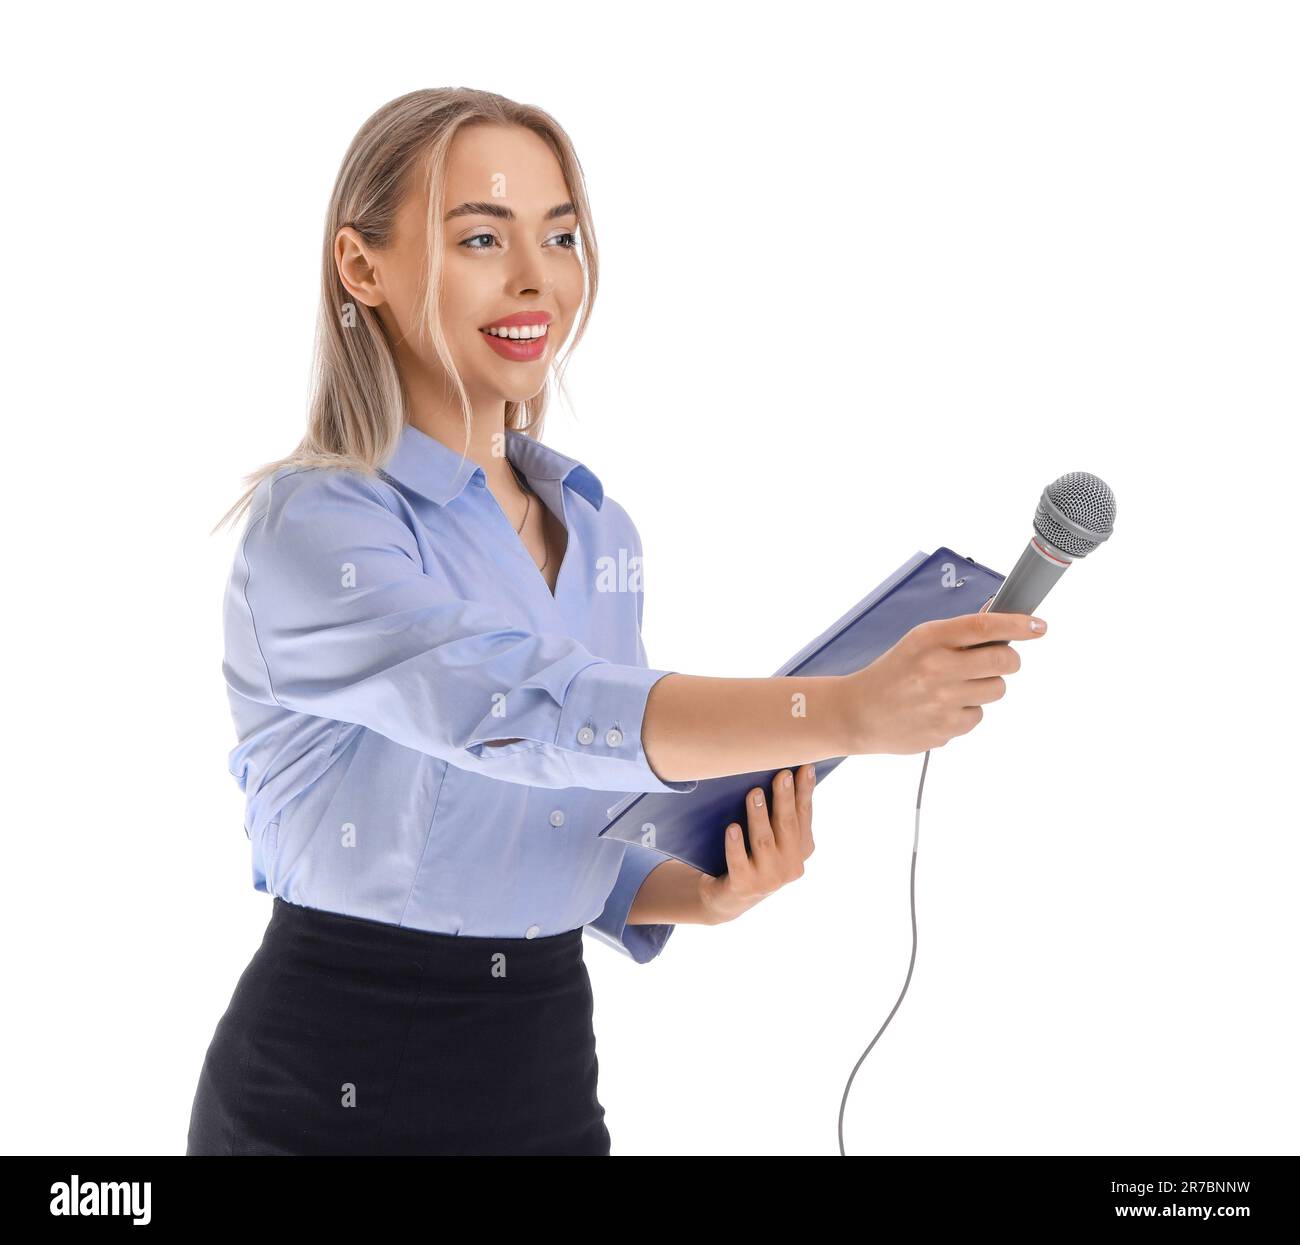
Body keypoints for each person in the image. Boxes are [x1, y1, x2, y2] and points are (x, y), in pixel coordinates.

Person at [186, 87, 1045, 1157]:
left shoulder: (593, 527)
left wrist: (694, 888)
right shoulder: (316, 525)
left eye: (559, 234)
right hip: (341, 1067)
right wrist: (840, 710)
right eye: (482, 237)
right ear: (360, 268)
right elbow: (522, 711)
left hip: (543, 1053)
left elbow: (560, 806)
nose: (536, 276)